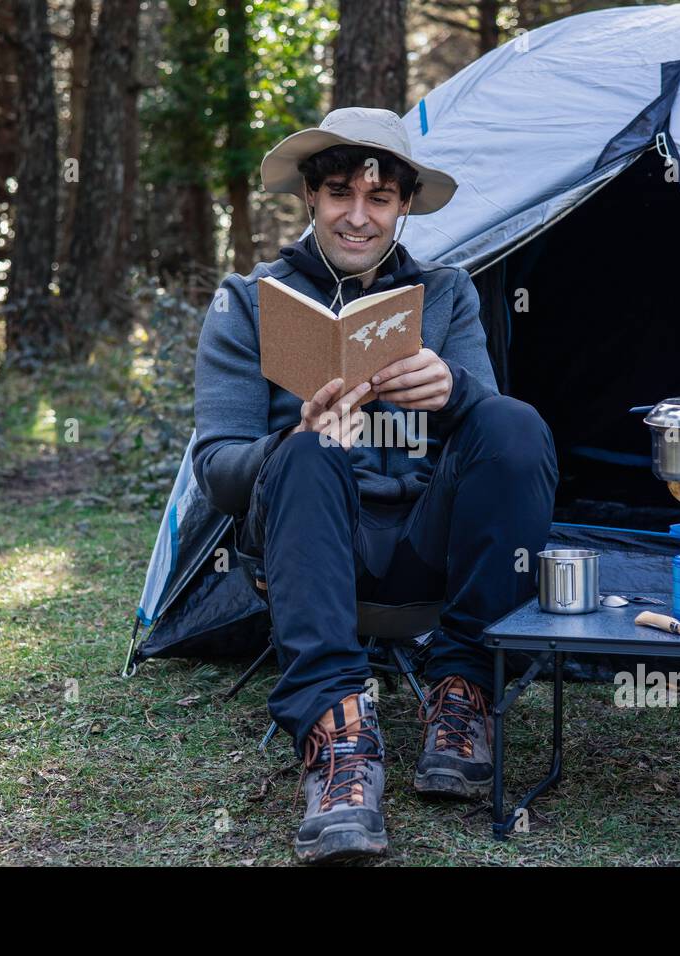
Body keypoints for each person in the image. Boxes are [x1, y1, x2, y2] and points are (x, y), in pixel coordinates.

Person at [192, 107, 558, 862]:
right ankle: (338, 738)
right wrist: (291, 441)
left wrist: (454, 389)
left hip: (427, 544)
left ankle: (463, 689)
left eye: (380, 198)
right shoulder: (245, 301)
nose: (358, 217)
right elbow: (215, 472)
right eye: (338, 193)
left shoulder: (447, 294)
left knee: (515, 420)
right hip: (312, 548)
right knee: (304, 454)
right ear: (309, 195)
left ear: (404, 204)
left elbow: (496, 442)